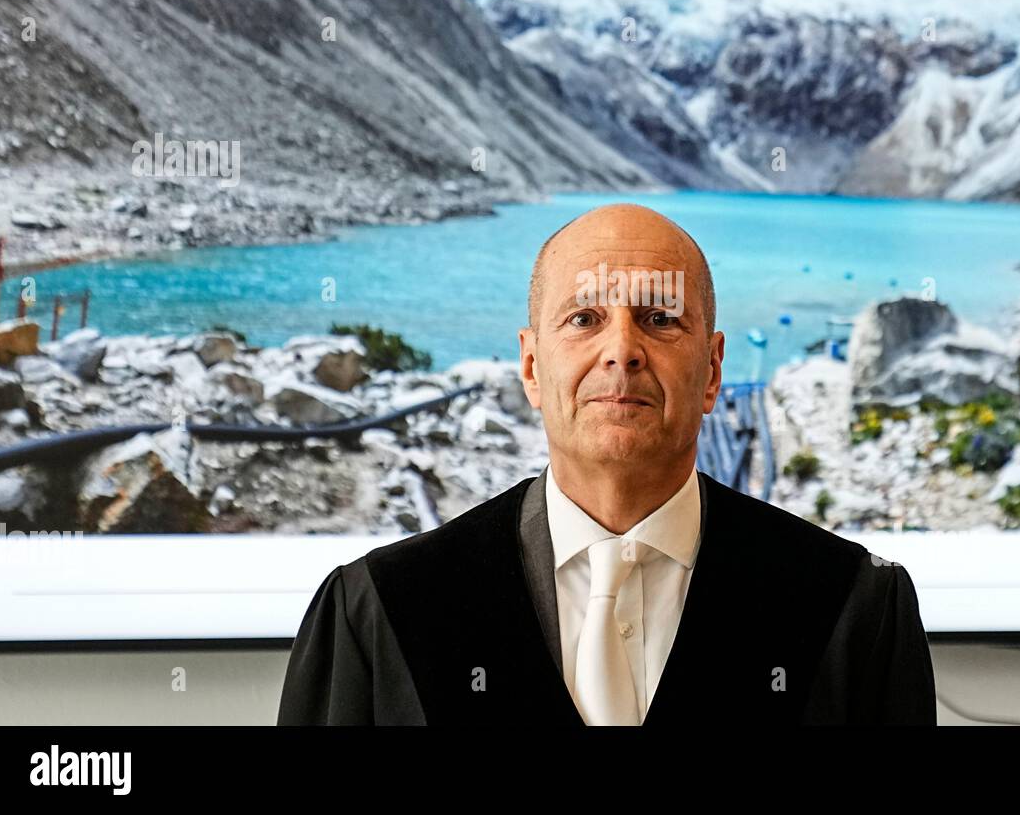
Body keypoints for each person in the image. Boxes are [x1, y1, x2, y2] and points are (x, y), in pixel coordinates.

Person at [276, 203, 937, 725]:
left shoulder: (856, 609)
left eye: (660, 318)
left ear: (712, 371)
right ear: (532, 367)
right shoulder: (377, 611)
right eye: (586, 317)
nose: (622, 350)